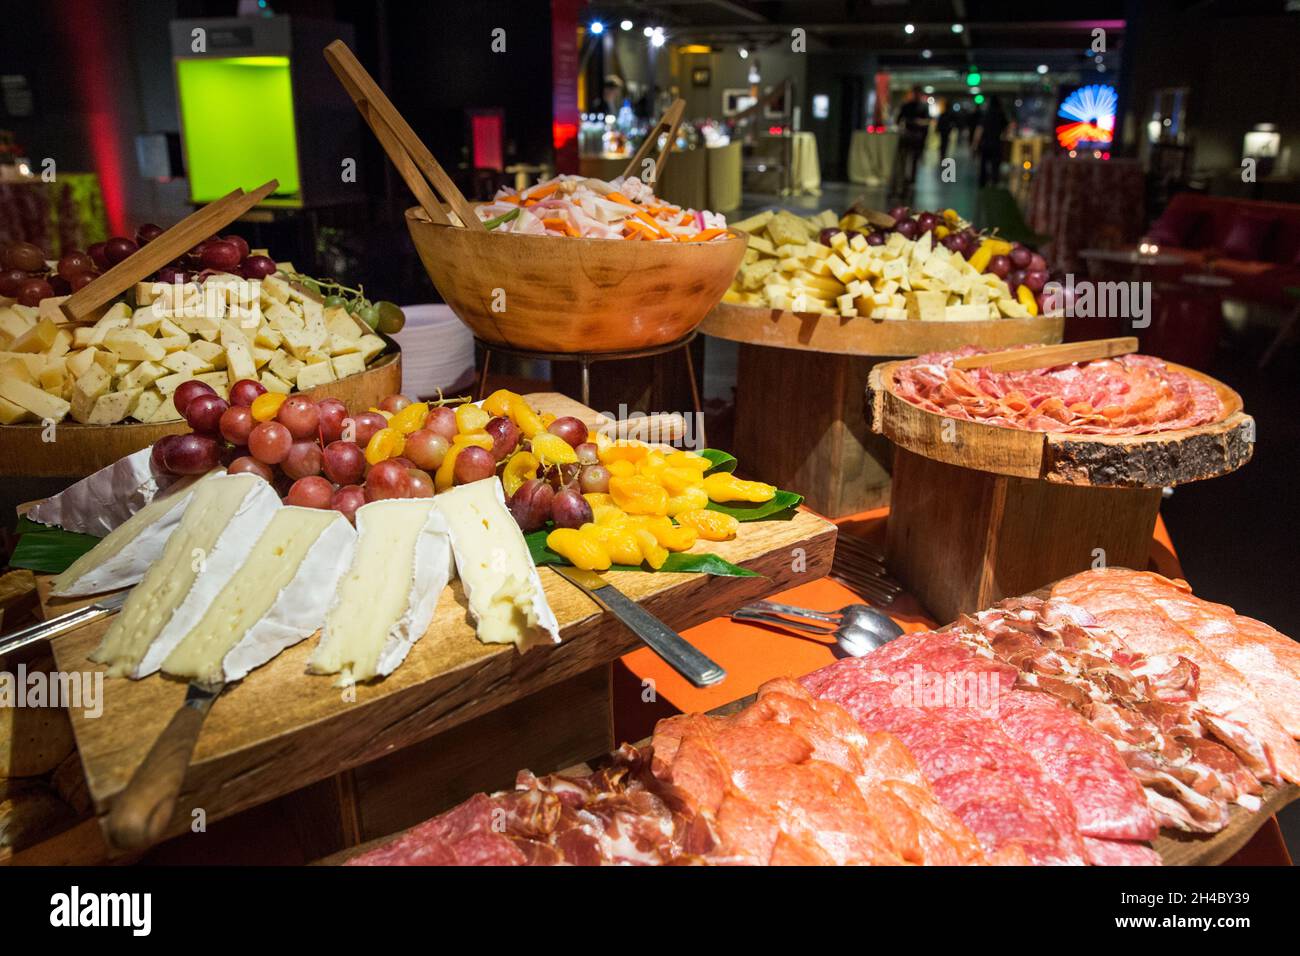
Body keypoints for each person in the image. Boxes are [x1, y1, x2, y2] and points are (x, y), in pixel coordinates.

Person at [894, 86, 931, 191]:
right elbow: (898, 120)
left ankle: (911, 179)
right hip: (907, 135)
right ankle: (903, 178)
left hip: (918, 136)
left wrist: (919, 122)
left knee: (914, 159)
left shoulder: (923, 107)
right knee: (904, 159)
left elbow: (927, 121)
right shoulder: (906, 105)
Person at [971, 95, 1009, 188]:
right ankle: (994, 182)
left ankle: (982, 183)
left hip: (985, 143)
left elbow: (979, 130)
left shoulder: (986, 114)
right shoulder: (1001, 114)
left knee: (983, 164)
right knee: (995, 165)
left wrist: (975, 144)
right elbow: (1006, 129)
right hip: (996, 143)